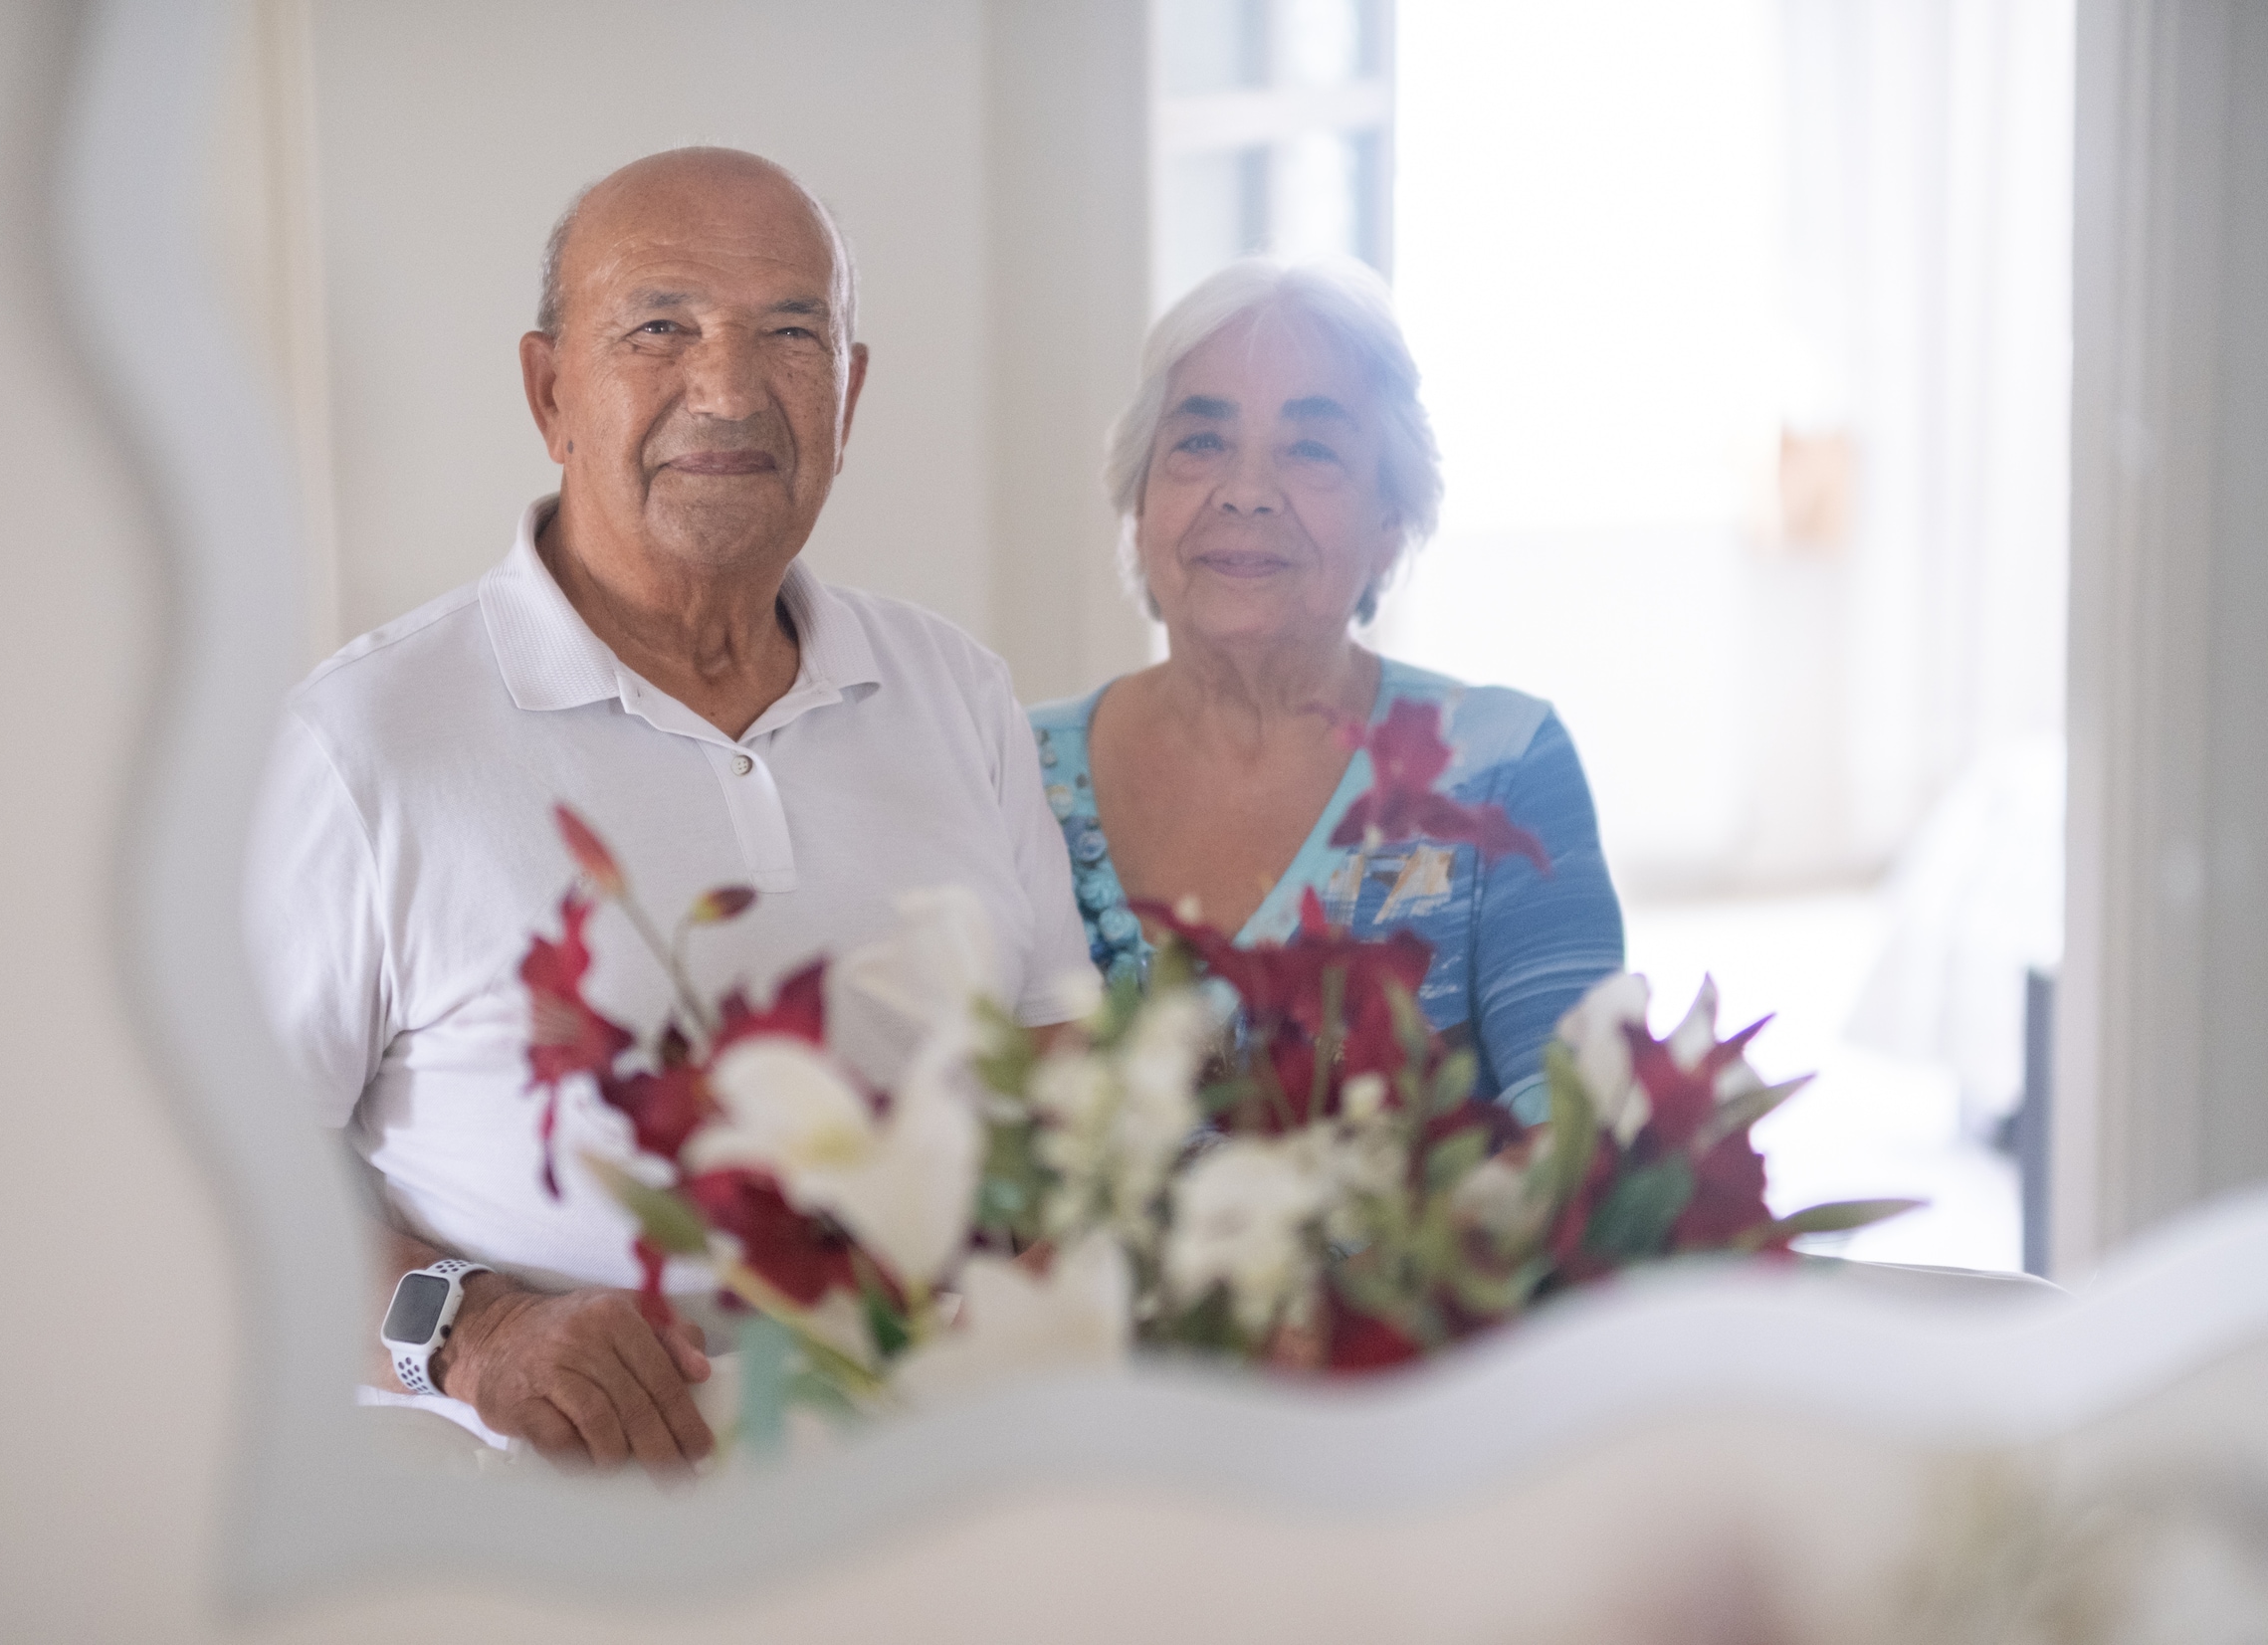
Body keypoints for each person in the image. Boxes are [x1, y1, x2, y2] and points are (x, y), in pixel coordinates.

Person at [246, 149, 1090, 1471]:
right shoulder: (362, 740)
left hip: (946, 1485)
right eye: (660, 328)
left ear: (850, 392)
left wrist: (1048, 1273)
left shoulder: (957, 691)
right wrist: (473, 1330)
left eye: (792, 334)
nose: (729, 389)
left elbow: (1058, 1063)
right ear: (550, 392)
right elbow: (209, 1185)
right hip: (561, 1525)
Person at [1031, 259, 1623, 1119]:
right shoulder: (1010, 766)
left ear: (1390, 523)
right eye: (1201, 442)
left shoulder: (1502, 765)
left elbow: (1578, 1146)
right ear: (1139, 503)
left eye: (1312, 450)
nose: (1246, 494)